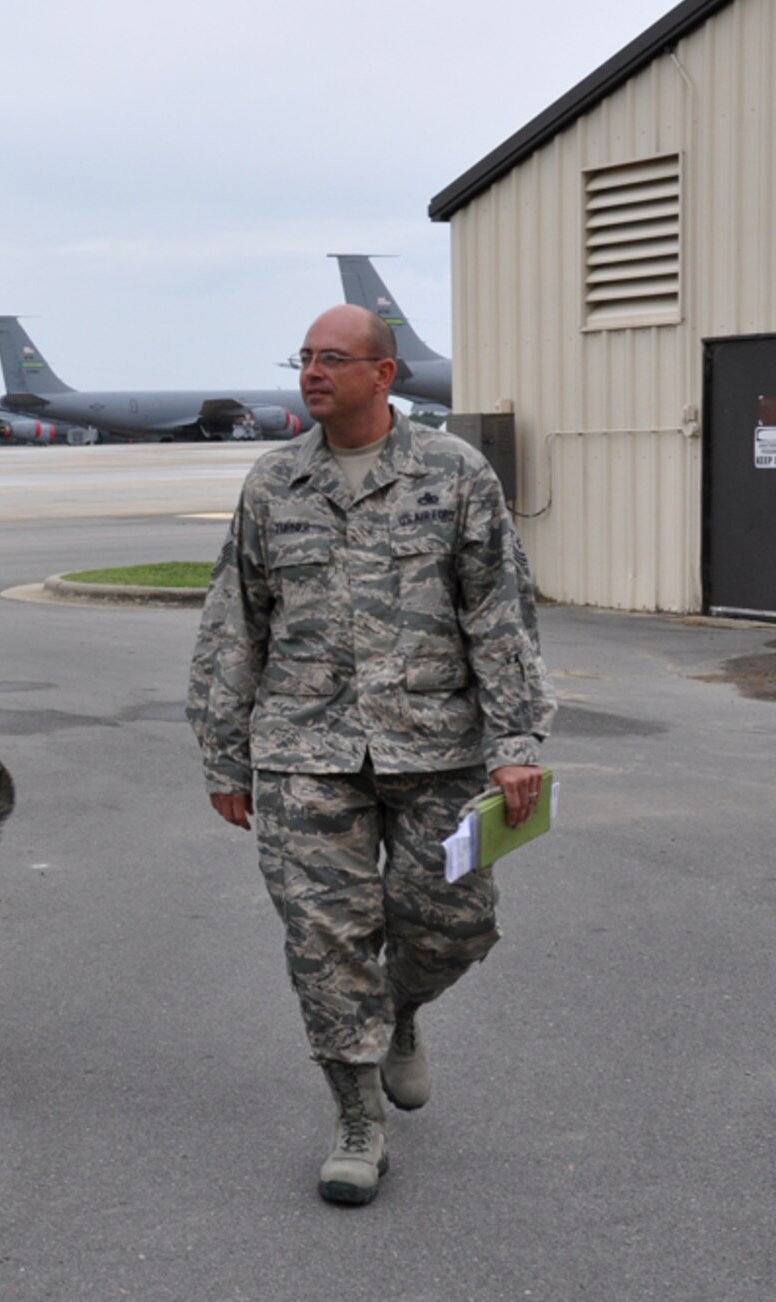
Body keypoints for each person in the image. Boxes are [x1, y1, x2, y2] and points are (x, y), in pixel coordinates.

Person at [187, 304, 555, 1205]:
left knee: (456, 921)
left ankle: (402, 1011)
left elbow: (499, 613)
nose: (312, 372)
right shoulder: (274, 483)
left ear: (383, 374)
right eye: (304, 358)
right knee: (325, 938)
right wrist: (224, 756)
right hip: (303, 750)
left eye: (332, 359)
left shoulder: (453, 473)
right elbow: (235, 622)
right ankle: (356, 1117)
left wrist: (515, 742)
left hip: (439, 749)